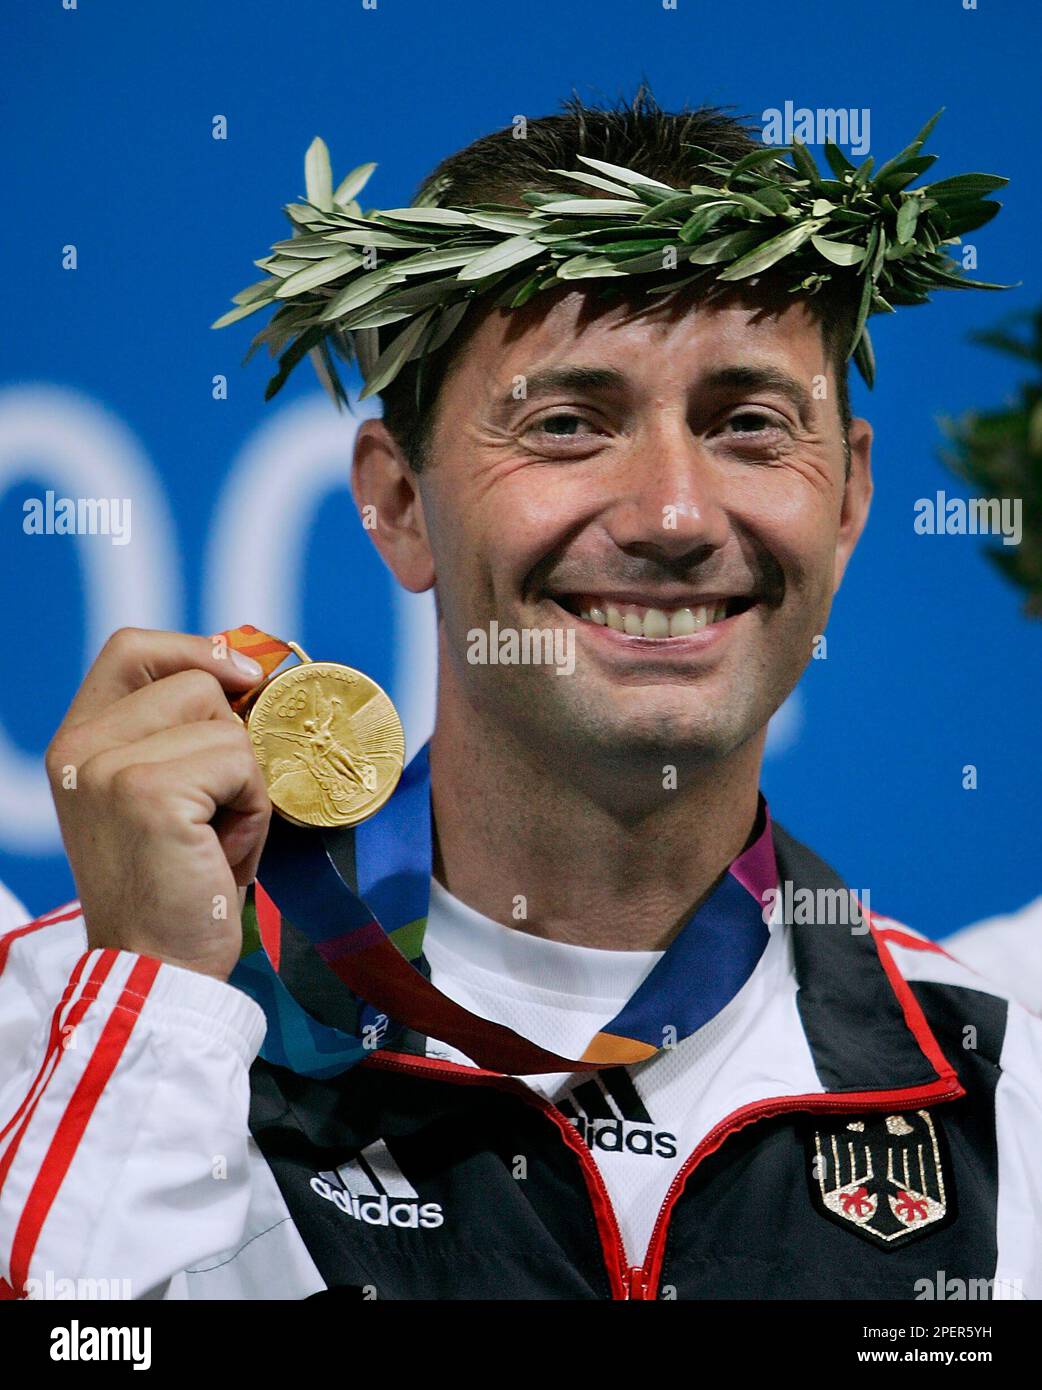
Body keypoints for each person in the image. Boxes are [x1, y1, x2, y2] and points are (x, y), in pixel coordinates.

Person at [2, 89, 1039, 1302]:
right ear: (396, 503)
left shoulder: (998, 1078)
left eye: (749, 425)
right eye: (566, 422)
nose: (672, 515)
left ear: (850, 497)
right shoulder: (59, 1022)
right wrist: (161, 1013)